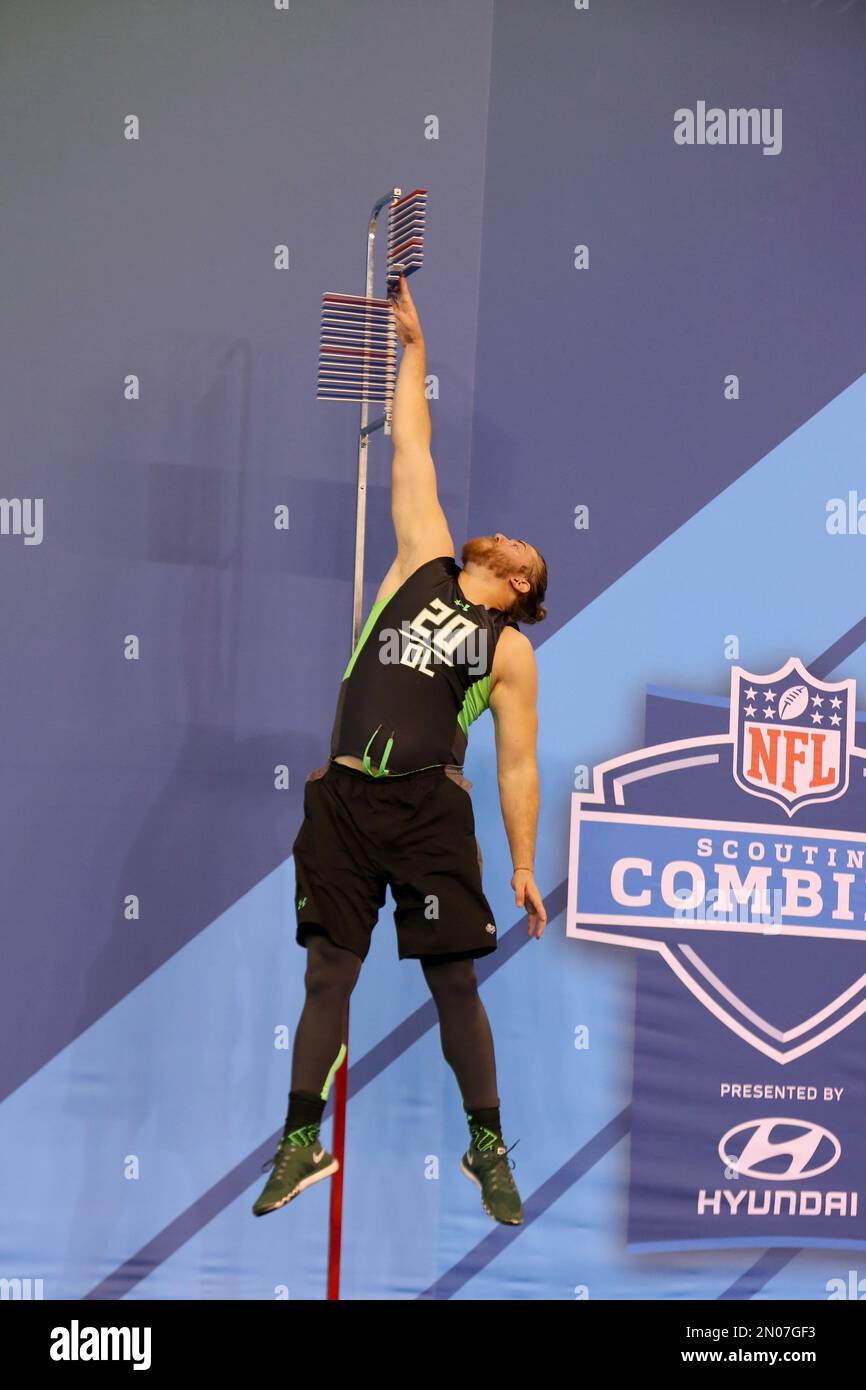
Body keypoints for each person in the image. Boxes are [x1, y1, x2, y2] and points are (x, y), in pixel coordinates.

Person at [253, 274, 548, 1226]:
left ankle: (488, 1146)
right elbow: (410, 445)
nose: (505, 536)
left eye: (521, 552)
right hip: (344, 800)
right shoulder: (422, 557)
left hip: (427, 812)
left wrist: (528, 866)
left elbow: (517, 766)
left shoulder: (509, 651)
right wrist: (413, 351)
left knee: (453, 978)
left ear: (515, 585)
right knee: (326, 971)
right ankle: (302, 1142)